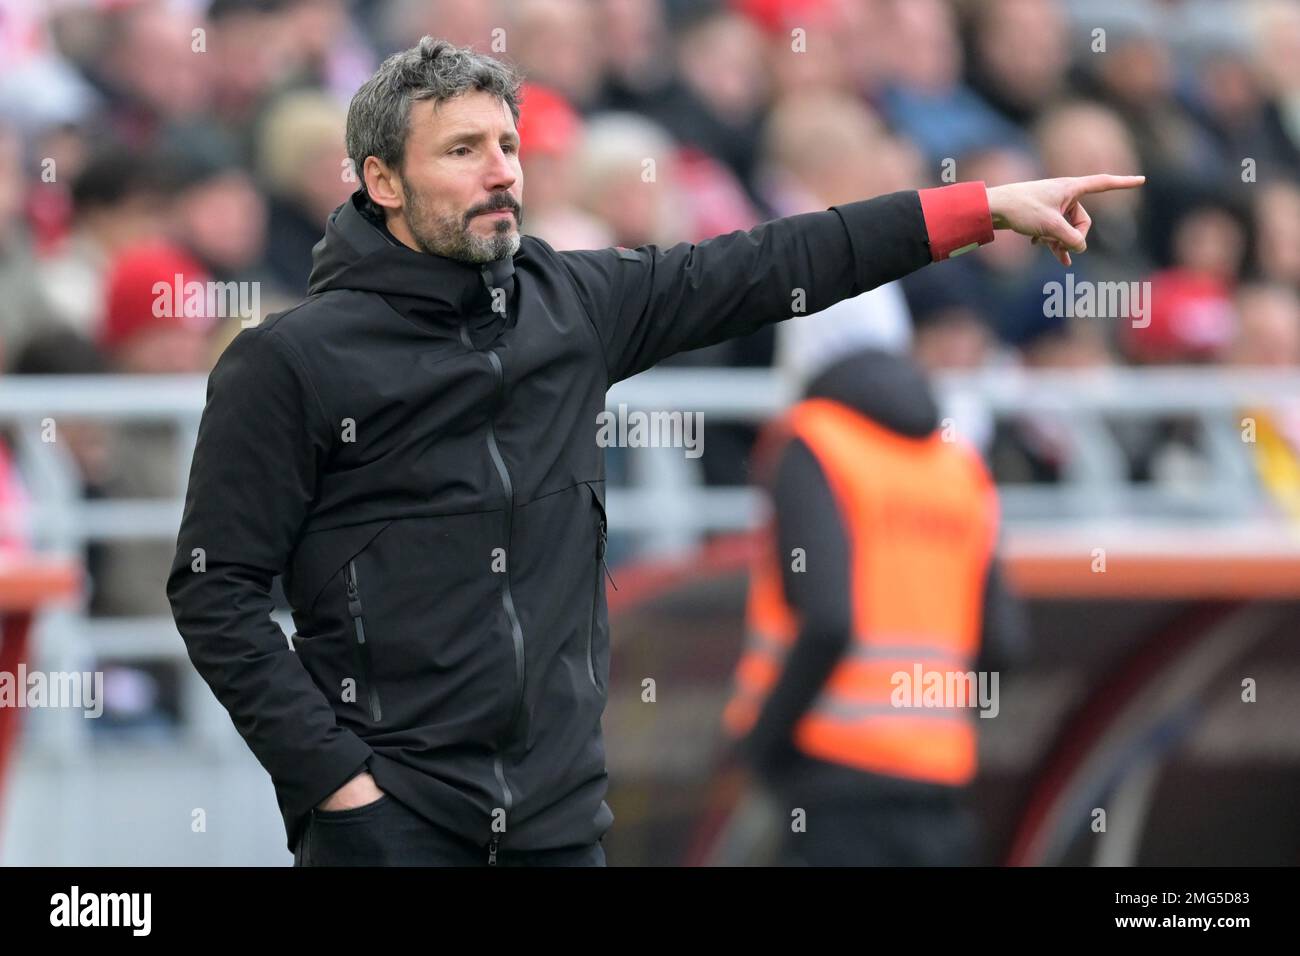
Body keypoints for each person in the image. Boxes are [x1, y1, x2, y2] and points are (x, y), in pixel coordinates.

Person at [165, 36, 1143, 867]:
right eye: (462, 150)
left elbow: (777, 262)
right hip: (392, 831)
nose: (502, 168)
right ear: (380, 180)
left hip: (559, 822)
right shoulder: (287, 362)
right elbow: (215, 588)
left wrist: (979, 210)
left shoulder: (570, 303)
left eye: (507, 144)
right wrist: (338, 784)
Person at [722, 347, 1026, 866]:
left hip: (832, 785)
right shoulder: (959, 467)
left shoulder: (817, 444)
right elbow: (1005, 644)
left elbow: (829, 621)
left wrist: (759, 743)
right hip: (937, 792)